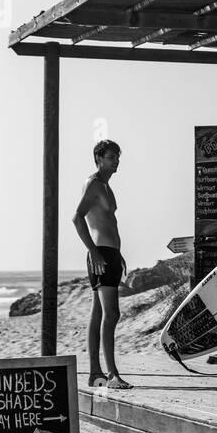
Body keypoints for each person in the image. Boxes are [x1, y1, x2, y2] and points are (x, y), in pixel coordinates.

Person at [72, 139, 131, 390]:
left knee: (98, 313)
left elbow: (108, 222)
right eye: (110, 157)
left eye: (117, 156)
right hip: (101, 255)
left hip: (111, 253)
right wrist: (93, 251)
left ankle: (95, 373)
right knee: (112, 314)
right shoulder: (94, 184)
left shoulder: (107, 186)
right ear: (98, 158)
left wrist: (118, 253)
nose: (115, 160)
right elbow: (77, 217)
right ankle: (112, 374)